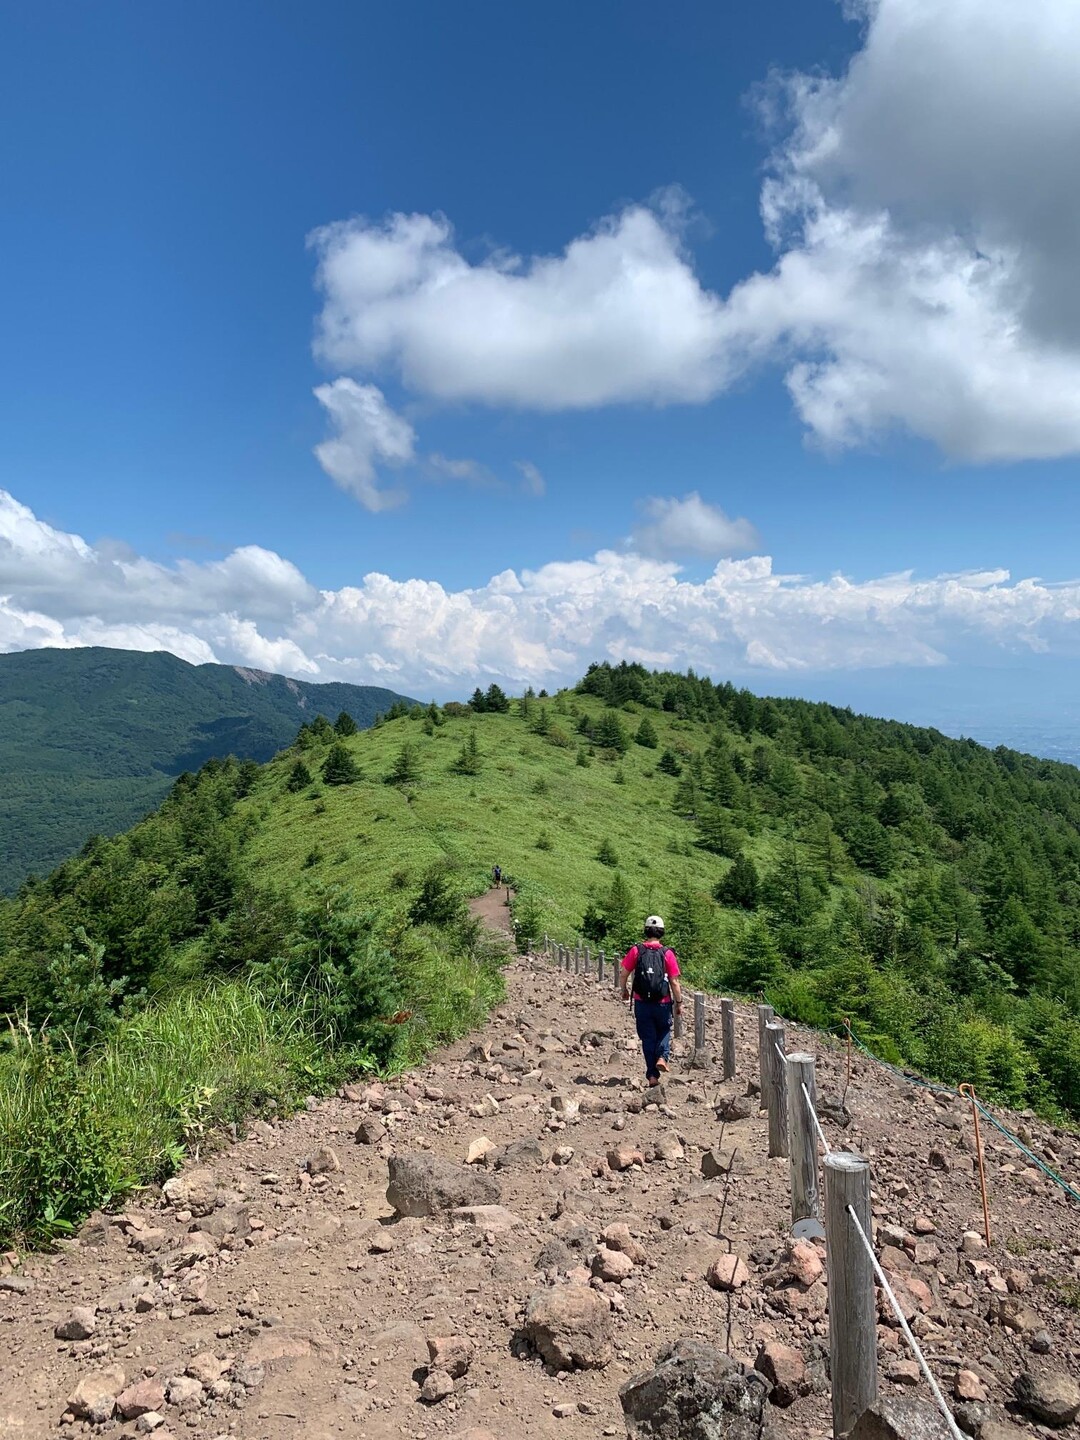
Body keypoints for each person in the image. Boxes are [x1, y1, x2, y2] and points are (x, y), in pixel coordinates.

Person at [619, 915, 682, 1086]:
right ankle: (662, 1057)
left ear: (646, 930)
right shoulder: (667, 953)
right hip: (662, 1001)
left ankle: (652, 1076)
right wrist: (679, 1002)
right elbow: (675, 982)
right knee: (664, 1030)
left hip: (641, 1002)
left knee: (647, 1038)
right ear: (662, 932)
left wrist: (624, 990)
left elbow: (623, 973)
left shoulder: (636, 950)